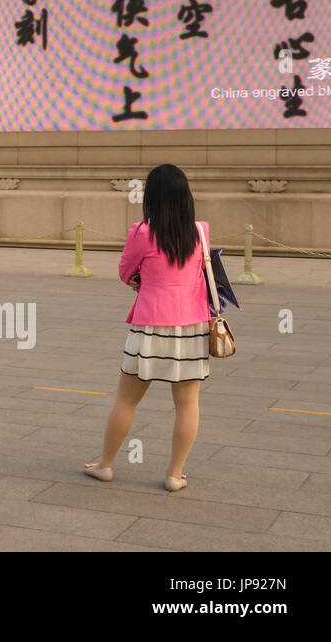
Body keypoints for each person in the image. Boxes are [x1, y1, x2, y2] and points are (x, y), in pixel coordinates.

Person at [85, 164, 215, 492]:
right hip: (192, 327)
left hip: (150, 327)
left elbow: (126, 272)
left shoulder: (143, 232)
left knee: (126, 400)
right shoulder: (199, 231)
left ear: (151, 197)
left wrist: (142, 281)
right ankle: (174, 474)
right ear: (186, 197)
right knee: (187, 403)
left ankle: (106, 465)